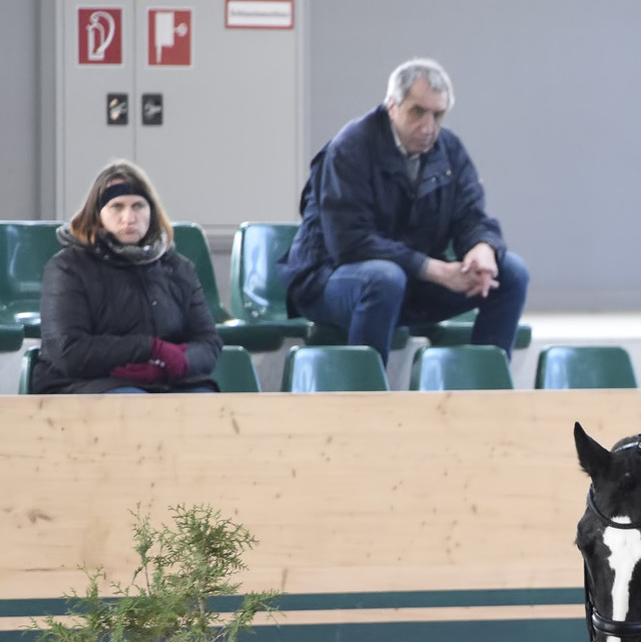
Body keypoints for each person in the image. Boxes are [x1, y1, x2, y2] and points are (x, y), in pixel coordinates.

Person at [281, 58, 529, 360]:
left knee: (511, 273)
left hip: (411, 282)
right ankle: (366, 397)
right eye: (418, 112)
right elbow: (349, 243)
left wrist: (483, 247)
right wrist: (435, 269)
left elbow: (471, 215)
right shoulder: (350, 148)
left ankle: (480, 392)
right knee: (384, 278)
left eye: (438, 115)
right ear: (392, 106)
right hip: (329, 282)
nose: (428, 127)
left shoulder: (449, 148)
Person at [34, 161, 220, 395]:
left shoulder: (178, 269)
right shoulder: (68, 268)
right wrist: (151, 349)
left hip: (167, 382)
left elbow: (208, 342)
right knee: (133, 404)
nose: (129, 217)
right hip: (85, 384)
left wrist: (180, 363)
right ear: (98, 214)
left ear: (151, 212)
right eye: (117, 206)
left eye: (138, 206)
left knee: (205, 403)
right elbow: (68, 350)